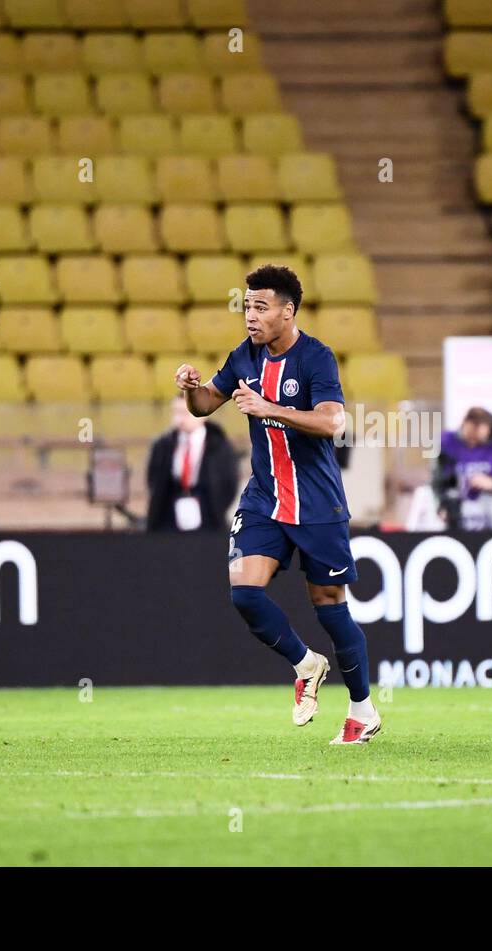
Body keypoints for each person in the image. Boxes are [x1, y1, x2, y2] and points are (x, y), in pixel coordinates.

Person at [173, 264, 381, 745]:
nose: (250, 316)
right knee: (244, 591)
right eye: (247, 306)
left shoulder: (316, 358)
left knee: (330, 605)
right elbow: (206, 405)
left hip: (317, 502)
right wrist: (189, 387)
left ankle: (362, 710)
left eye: (261, 307)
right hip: (265, 497)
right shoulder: (244, 357)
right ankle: (306, 664)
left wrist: (272, 410)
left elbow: (333, 423)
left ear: (288, 312)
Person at [145, 397, 239, 532]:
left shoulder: (219, 446)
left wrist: (216, 507)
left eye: (185, 413)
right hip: (170, 519)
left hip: (208, 518)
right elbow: (154, 479)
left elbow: (229, 482)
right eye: (176, 412)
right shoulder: (163, 445)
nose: (180, 419)